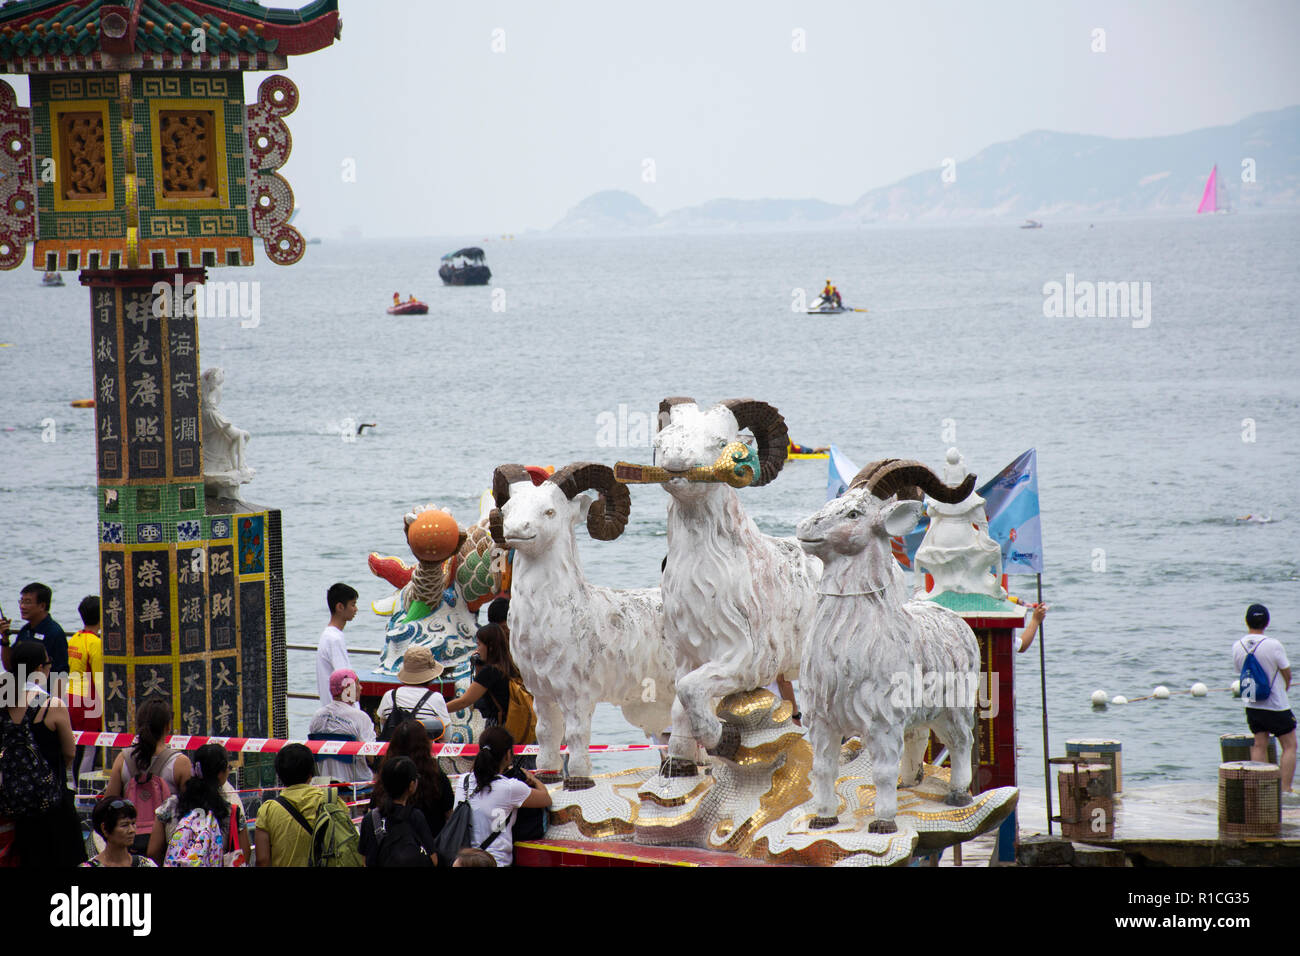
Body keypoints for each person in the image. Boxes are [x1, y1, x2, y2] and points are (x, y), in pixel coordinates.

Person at [1, 641, 86, 866]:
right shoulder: (51, 705)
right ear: (39, 668)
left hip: (14, 804)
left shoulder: (4, 701)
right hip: (52, 802)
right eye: (48, 664)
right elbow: (69, 752)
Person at [105, 698, 192, 853]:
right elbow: (191, 813)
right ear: (168, 726)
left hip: (130, 846)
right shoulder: (180, 763)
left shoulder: (122, 759)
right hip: (167, 848)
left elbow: (108, 805)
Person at [456, 726, 551, 867]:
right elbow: (545, 799)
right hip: (496, 862)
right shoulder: (510, 788)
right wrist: (533, 778)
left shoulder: (463, 781)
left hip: (464, 861)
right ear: (508, 755)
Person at [1231, 604, 1296, 798]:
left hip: (1252, 701)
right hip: (1276, 704)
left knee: (1259, 743)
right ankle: (1285, 790)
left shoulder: (1238, 645)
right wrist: (1286, 685)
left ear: (1246, 621)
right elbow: (1286, 672)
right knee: (1290, 745)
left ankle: (1259, 788)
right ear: (1267, 622)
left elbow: (1239, 671)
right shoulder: (1273, 644)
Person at [147, 743, 247, 866]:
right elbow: (244, 854)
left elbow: (153, 852)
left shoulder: (169, 806)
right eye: (228, 767)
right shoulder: (230, 812)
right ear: (221, 774)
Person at [369, 720, 453, 839]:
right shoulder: (435, 775)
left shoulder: (386, 773)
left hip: (389, 848)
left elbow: (373, 809)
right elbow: (449, 814)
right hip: (431, 845)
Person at [359, 756, 438, 867]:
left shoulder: (370, 818)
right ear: (411, 786)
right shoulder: (415, 816)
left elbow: (364, 859)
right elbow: (433, 859)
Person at [254, 743, 324, 867]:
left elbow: (262, 860)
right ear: (311, 773)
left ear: (280, 775)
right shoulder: (330, 801)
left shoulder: (268, 810)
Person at [309, 668, 376, 784]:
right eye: (357, 684)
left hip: (324, 782)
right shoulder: (360, 717)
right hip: (356, 782)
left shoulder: (317, 716)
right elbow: (371, 757)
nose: (361, 687)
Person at [445, 624, 518, 728]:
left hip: (500, 727)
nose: (477, 650)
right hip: (517, 724)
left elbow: (464, 701)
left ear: (490, 646)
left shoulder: (490, 671)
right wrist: (479, 665)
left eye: (479, 645)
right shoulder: (510, 666)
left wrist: (439, 709)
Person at [66, 595, 103, 783]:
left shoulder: (75, 638)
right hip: (89, 699)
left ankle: (74, 783)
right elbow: (99, 676)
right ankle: (82, 786)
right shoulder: (96, 643)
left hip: (72, 694)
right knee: (90, 746)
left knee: (78, 744)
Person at [377, 646, 451, 739]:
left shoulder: (389, 696)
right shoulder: (436, 698)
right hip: (423, 752)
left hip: (394, 751)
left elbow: (383, 728)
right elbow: (446, 736)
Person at [0, 583, 69, 678]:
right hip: (20, 688)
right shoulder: (25, 630)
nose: (22, 606)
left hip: (42, 690)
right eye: (21, 601)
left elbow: (62, 673)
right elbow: (10, 666)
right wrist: (5, 640)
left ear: (42, 606)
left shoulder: (54, 633)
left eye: (27, 602)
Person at [82, 798, 156, 868]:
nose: (132, 830)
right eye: (124, 825)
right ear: (104, 828)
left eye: (133, 823)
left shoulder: (146, 864)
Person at [317, 583, 358, 703]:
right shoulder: (334, 639)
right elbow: (344, 679)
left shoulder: (329, 635)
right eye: (353, 604)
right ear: (340, 607)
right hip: (341, 713)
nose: (356, 609)